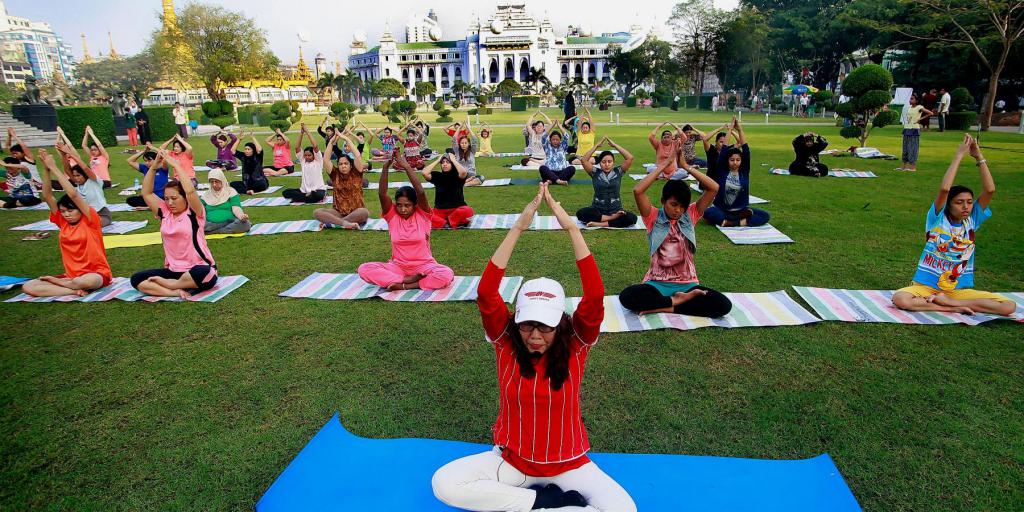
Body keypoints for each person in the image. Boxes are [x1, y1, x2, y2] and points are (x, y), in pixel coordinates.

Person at [431, 183, 637, 512]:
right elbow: (486, 294)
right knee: (444, 483)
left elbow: (595, 295)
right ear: (517, 321)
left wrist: (571, 227)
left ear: (560, 323)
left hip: (570, 465)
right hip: (513, 466)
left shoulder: (577, 343)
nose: (535, 335)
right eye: (528, 324)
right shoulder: (506, 341)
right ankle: (540, 502)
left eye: (545, 326)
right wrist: (517, 228)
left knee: (625, 510)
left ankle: (533, 506)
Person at [891, 134, 1014, 317]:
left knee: (1008, 306)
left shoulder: (971, 221)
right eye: (959, 202)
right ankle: (948, 306)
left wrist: (979, 156)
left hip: (957, 290)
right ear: (949, 204)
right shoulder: (937, 220)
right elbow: (944, 190)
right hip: (925, 288)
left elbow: (990, 190)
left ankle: (950, 301)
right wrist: (958, 156)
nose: (966, 207)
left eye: (970, 202)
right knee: (901, 299)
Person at [618, 158, 733, 318]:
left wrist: (686, 167)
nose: (678, 210)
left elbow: (713, 188)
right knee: (627, 297)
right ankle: (676, 302)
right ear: (663, 201)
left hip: (688, 285)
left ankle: (666, 306)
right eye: (673, 204)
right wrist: (663, 166)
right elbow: (638, 191)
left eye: (682, 206)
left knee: (723, 305)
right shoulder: (653, 217)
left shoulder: (690, 215)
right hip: (657, 283)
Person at [21, 150, 113, 298]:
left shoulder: (90, 220)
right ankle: (73, 290)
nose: (66, 214)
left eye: (70, 211)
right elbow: (47, 196)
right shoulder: (63, 222)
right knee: (28, 286)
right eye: (63, 211)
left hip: (96, 274)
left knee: (88, 281)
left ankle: (68, 285)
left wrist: (55, 168)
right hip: (71, 277)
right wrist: (46, 169)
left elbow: (73, 195)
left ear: (80, 209)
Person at [357, 153, 454, 291]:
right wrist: (385, 168)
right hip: (398, 267)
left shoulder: (422, 215)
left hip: (424, 266)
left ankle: (406, 285)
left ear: (415, 205)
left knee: (446, 274)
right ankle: (405, 280)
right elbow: (382, 194)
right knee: (364, 269)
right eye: (399, 205)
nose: (402, 209)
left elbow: (420, 193)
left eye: (407, 205)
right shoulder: (392, 216)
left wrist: (407, 166)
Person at [130, 151, 218, 299]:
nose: (169, 203)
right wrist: (153, 168)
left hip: (197, 269)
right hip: (174, 271)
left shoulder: (194, 213)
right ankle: (175, 291)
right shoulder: (164, 212)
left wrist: (176, 164)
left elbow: (190, 190)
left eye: (174, 198)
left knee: (206, 274)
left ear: (184, 198)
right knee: (137, 279)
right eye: (166, 199)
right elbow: (147, 193)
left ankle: (171, 284)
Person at [704, 119, 769, 227]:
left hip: (740, 211)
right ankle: (739, 222)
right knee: (708, 212)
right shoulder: (722, 171)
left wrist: (739, 129)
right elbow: (724, 149)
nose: (735, 163)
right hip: (723, 211)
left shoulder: (744, 172)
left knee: (764, 215)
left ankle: (731, 223)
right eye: (732, 160)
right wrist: (729, 129)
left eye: (738, 160)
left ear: (741, 161)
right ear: (727, 160)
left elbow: (746, 150)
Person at [576, 137, 639, 228]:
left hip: (616, 210)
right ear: (599, 163)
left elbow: (630, 158)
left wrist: (615, 146)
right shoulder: (595, 172)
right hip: (597, 210)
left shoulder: (618, 172)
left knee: (632, 218)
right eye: (604, 162)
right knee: (581, 213)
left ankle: (600, 223)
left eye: (610, 162)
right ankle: (612, 218)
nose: (607, 164)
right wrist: (596, 146)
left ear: (613, 163)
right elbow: (584, 160)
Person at [314, 132, 369, 229]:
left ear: (350, 165)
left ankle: (334, 223)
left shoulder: (356, 172)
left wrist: (347, 139)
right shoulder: (335, 174)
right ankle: (345, 223)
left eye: (346, 164)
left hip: (356, 211)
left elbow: (357, 156)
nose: (343, 166)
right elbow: (326, 159)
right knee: (317, 212)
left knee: (364, 212)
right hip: (338, 212)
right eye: (340, 164)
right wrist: (331, 141)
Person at [55, 142, 111, 227]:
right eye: (74, 176)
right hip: (85, 215)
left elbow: (85, 168)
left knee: (89, 225)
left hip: (101, 215)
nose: (76, 178)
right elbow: (67, 170)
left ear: (84, 175)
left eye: (78, 175)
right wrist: (63, 154)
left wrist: (70, 153)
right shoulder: (78, 184)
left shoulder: (94, 180)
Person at [421, 153, 474, 229]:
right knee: (424, 214)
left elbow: (463, 172)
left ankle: (444, 222)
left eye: (447, 162)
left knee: (468, 210)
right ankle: (447, 223)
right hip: (440, 211)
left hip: (456, 209)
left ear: (452, 164)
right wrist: (438, 160)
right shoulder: (437, 176)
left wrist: (453, 159)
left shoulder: (458, 176)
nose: (444, 164)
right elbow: (424, 173)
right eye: (443, 163)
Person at [281, 124, 327, 204]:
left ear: (313, 155)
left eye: (309, 155)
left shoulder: (318, 161)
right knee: (285, 192)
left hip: (318, 190)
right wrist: (301, 133)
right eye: (305, 155)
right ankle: (306, 196)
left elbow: (315, 146)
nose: (307, 157)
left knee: (318, 195)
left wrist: (307, 131)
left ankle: (301, 198)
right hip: (304, 191)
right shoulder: (303, 161)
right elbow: (297, 147)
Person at [201, 168, 251, 234]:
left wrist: (241, 216)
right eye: (212, 182)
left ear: (222, 181)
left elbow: (236, 208)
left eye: (216, 182)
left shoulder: (231, 192)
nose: (214, 185)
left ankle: (215, 231)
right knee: (196, 225)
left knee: (245, 224)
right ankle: (220, 230)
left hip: (229, 221)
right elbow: (200, 211)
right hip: (210, 223)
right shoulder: (205, 196)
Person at [899, 94, 933, 172]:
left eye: (912, 99)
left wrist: (920, 119)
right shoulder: (909, 108)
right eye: (910, 99)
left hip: (914, 130)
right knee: (905, 149)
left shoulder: (919, 107)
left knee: (913, 148)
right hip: (907, 129)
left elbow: (930, 113)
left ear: (916, 100)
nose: (910, 100)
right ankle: (903, 167)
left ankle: (913, 167)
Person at [450, 118, 484, 186]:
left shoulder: (472, 151)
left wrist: (469, 128)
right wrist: (459, 128)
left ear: (468, 144)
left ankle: (464, 184)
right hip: (460, 175)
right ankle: (465, 183)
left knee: (481, 178)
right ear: (460, 144)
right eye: (462, 143)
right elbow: (454, 139)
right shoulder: (457, 150)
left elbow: (475, 140)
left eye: (465, 143)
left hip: (471, 175)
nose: (464, 145)